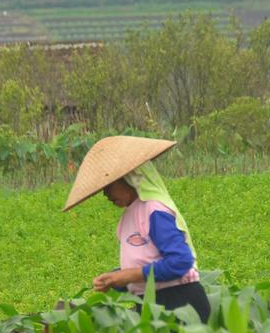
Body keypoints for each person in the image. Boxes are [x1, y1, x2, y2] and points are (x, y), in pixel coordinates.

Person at [62, 135, 210, 322]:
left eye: (109, 186)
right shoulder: (128, 217)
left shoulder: (154, 210)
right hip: (150, 305)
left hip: (179, 303)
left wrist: (128, 275)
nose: (105, 194)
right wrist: (115, 278)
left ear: (130, 178)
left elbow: (180, 262)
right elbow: (143, 263)